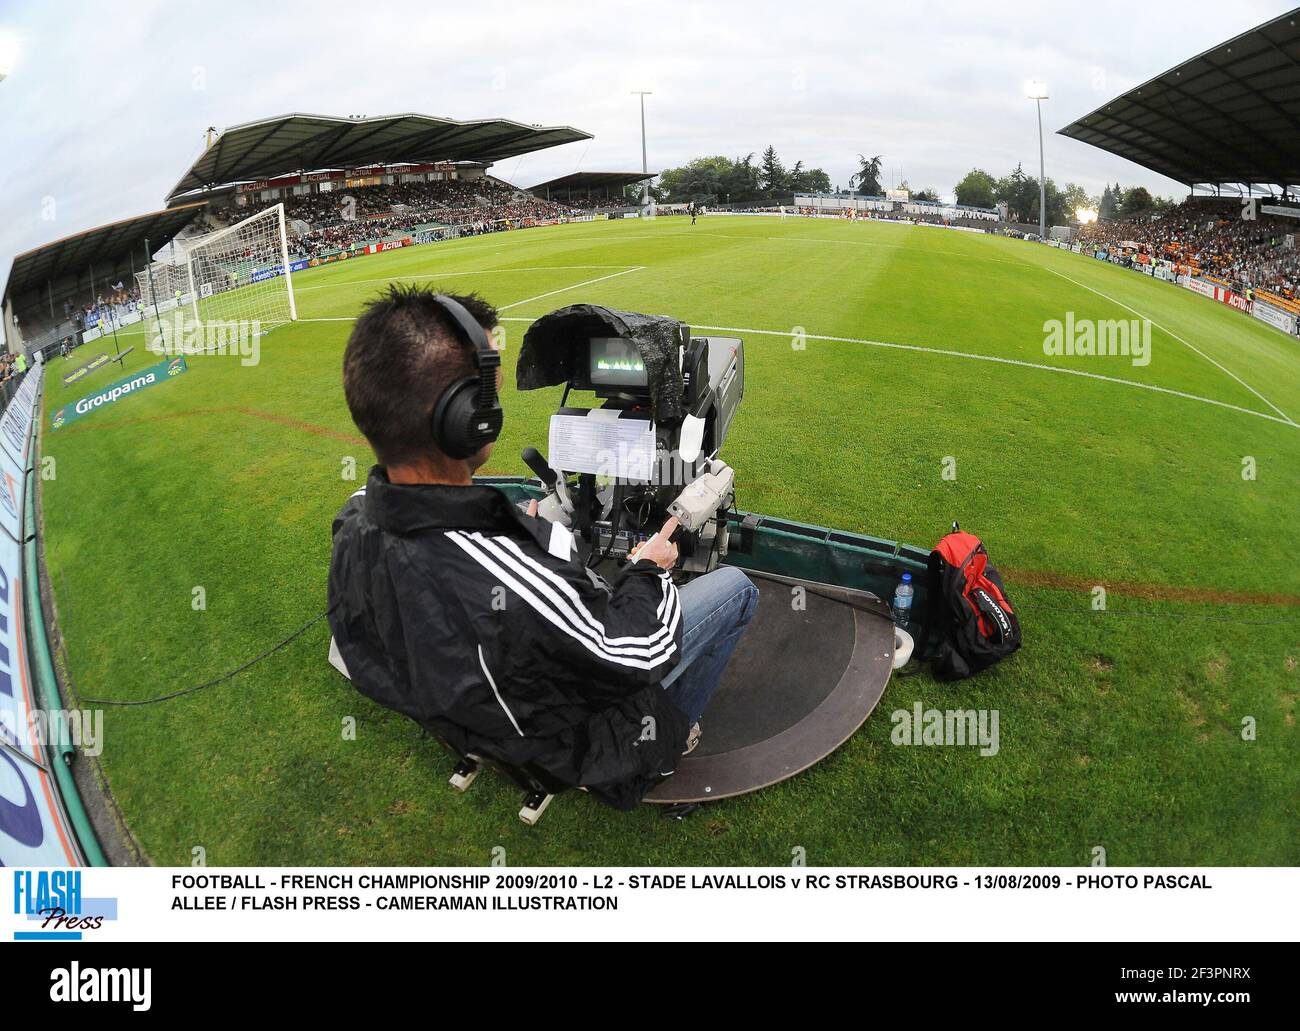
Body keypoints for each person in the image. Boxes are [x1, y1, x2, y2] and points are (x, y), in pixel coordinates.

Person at [328, 285, 757, 810]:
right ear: (467, 419)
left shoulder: (353, 523)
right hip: (568, 739)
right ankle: (672, 736)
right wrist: (649, 570)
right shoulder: (512, 582)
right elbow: (636, 651)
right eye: (490, 394)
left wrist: (519, 538)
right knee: (737, 589)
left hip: (475, 715)